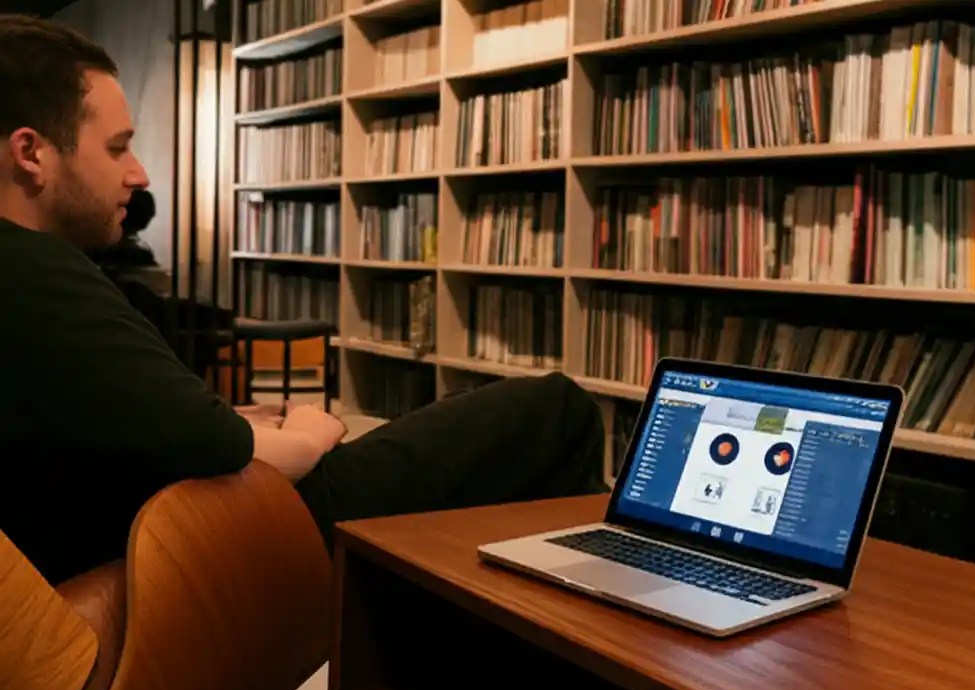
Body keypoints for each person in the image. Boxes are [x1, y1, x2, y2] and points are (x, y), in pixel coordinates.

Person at [0, 15, 607, 585]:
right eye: (116, 147)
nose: (139, 173)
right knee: (555, 410)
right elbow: (239, 454)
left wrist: (229, 420)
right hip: (220, 533)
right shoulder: (34, 269)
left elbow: (131, 423)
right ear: (31, 153)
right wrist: (316, 429)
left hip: (149, 527)